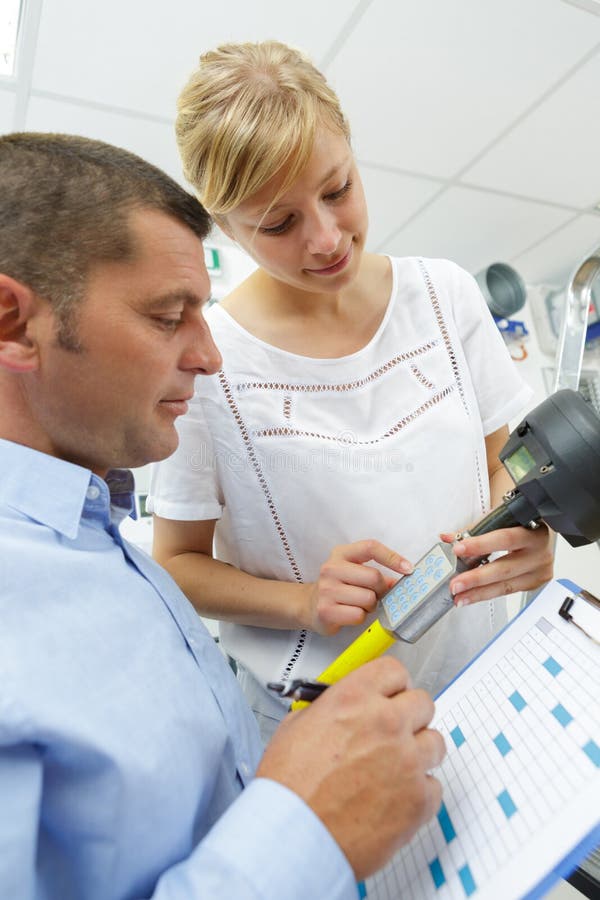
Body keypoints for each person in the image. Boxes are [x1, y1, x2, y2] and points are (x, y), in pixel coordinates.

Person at [0, 132, 445, 899]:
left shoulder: (95, 535)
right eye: (168, 317)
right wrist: (307, 829)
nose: (209, 357)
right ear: (13, 323)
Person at [149, 40, 554, 744]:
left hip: (485, 675)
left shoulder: (445, 297)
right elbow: (176, 566)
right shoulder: (209, 362)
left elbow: (510, 461)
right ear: (226, 226)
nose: (327, 239)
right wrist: (304, 601)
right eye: (279, 223)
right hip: (324, 717)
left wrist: (520, 532)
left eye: (337, 189)